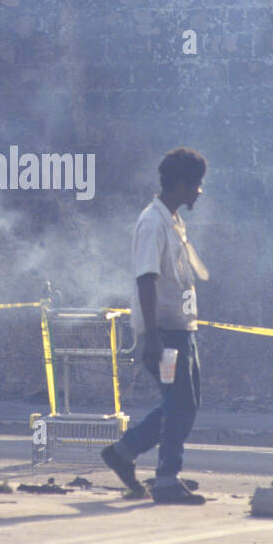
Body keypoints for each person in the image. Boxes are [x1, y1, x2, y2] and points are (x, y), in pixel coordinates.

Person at [102, 147, 209, 505]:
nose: (199, 192)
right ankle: (166, 479)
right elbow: (146, 279)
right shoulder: (152, 222)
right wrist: (150, 335)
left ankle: (125, 452)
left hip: (181, 328)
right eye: (197, 185)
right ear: (181, 183)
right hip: (164, 332)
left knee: (184, 403)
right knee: (180, 404)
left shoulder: (172, 220)